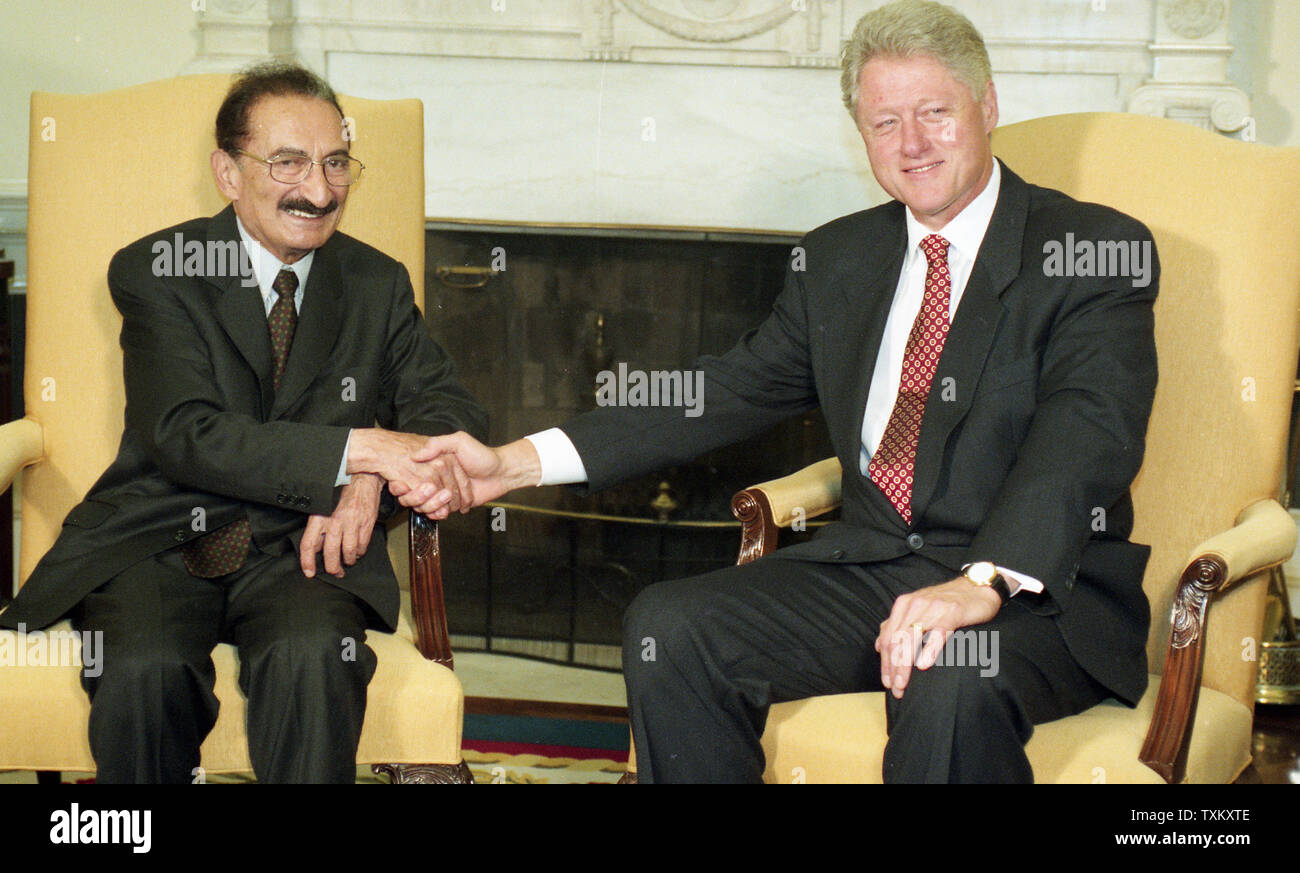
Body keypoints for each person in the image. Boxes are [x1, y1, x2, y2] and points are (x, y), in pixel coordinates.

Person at [405, 0, 1159, 783]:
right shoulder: (839, 259)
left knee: (950, 673)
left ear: (988, 105)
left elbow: (1086, 435)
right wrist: (513, 464)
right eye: (884, 122)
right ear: (861, 134)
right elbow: (719, 391)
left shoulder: (1091, 250)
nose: (913, 144)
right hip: (873, 570)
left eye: (936, 112)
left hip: (1036, 594)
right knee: (672, 625)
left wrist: (979, 582)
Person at [0, 62, 486, 783]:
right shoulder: (160, 268)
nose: (319, 191)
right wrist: (359, 447)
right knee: (143, 672)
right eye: (288, 162)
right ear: (227, 173)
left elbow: (450, 418)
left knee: (315, 660)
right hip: (159, 537)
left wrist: (366, 487)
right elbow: (184, 433)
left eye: (335, 163)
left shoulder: (375, 284)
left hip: (308, 549)